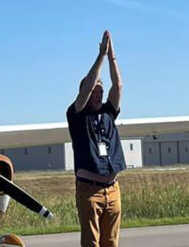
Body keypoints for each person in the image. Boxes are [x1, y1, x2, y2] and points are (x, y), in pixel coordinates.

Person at [66, 30, 125, 247]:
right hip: (89, 190)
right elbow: (88, 86)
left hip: (113, 188)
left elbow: (118, 87)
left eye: (101, 90)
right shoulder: (77, 115)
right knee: (92, 243)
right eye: (95, 91)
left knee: (111, 241)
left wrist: (112, 56)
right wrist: (100, 56)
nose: (98, 93)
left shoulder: (109, 112)